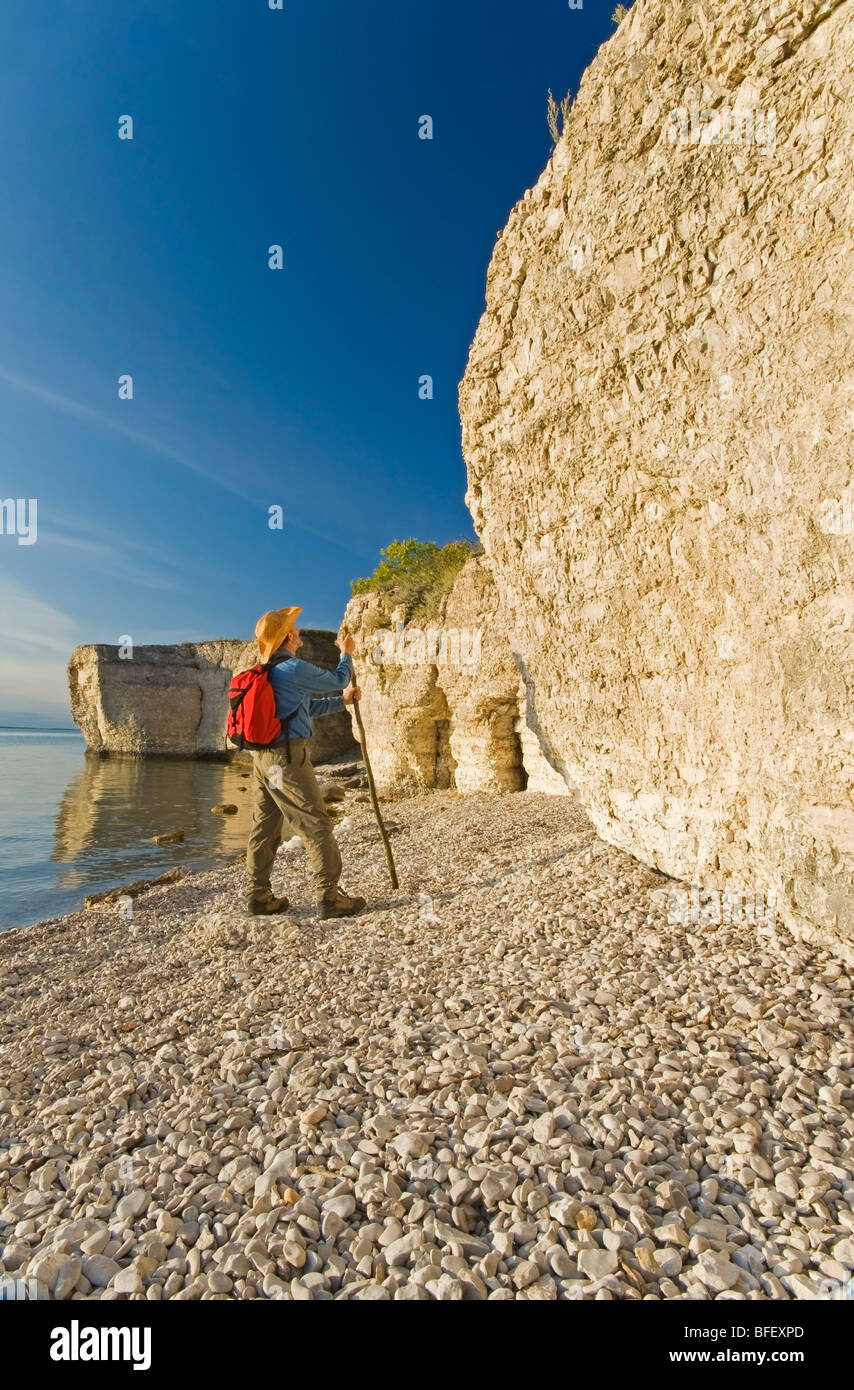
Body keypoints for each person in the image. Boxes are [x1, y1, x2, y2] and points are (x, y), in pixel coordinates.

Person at [245, 606, 366, 919]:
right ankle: (329, 897)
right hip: (287, 758)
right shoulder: (293, 669)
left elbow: (304, 710)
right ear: (287, 636)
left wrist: (342, 701)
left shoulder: (266, 671)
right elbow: (339, 678)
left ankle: (258, 896)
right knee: (316, 823)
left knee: (265, 827)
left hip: (264, 762)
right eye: (294, 627)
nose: (298, 630)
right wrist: (346, 653)